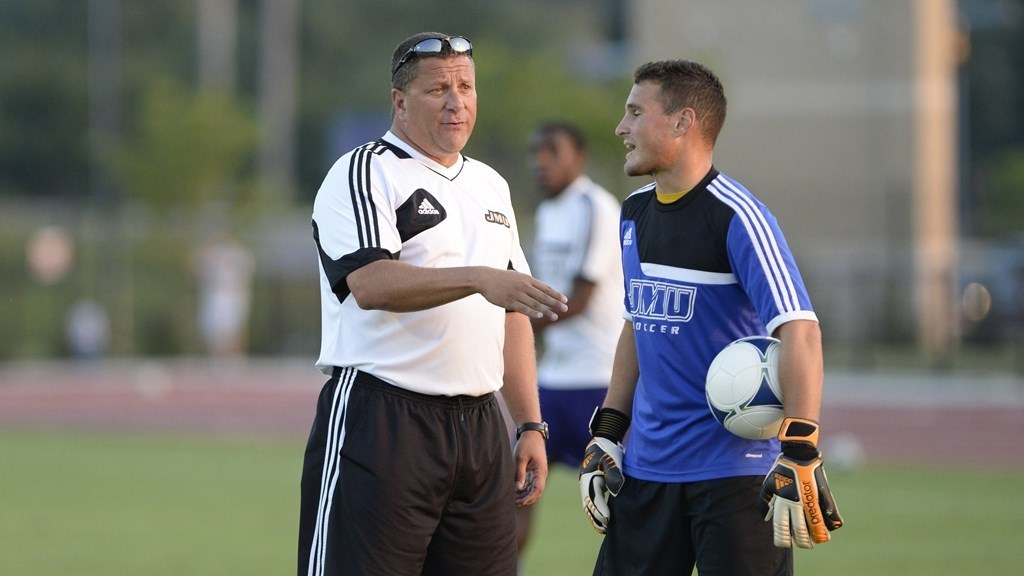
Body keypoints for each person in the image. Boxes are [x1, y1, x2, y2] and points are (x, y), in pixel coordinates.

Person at [297, 32, 567, 576]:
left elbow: (512, 310)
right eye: (438, 89)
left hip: (480, 428)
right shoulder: (364, 171)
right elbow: (370, 283)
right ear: (400, 101)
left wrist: (529, 425)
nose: (456, 102)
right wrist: (478, 279)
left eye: (465, 87)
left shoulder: (490, 184)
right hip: (385, 420)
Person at [578, 60, 843, 575]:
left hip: (735, 478)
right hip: (646, 473)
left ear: (683, 122)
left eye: (636, 113)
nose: (621, 127)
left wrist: (800, 448)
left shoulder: (738, 216)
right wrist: (608, 431)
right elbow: (636, 323)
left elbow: (800, 329)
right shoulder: (633, 213)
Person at [516, 122, 623, 555]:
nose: (540, 162)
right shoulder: (546, 213)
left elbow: (578, 299)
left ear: (579, 158)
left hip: (598, 380)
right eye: (535, 152)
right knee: (517, 485)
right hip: (551, 380)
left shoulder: (597, 207)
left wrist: (513, 328)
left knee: (621, 500)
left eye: (552, 152)